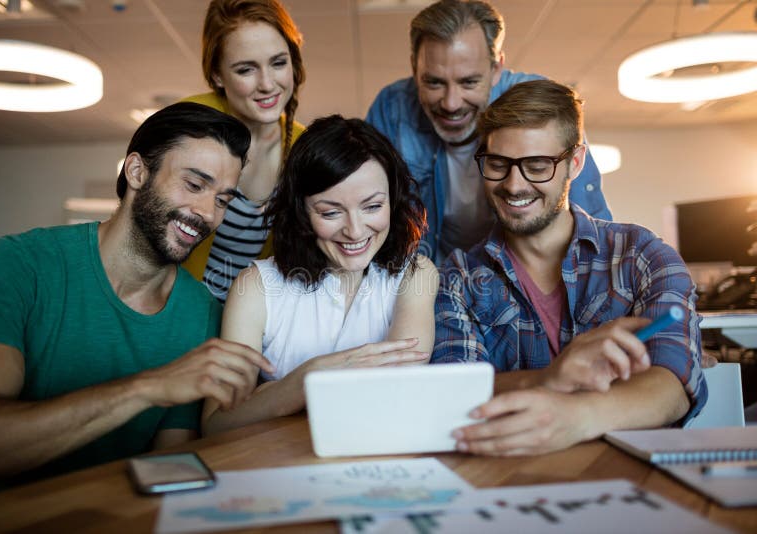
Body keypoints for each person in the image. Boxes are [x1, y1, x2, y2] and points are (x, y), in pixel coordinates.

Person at [0, 102, 274, 497]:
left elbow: (170, 472)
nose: (207, 213)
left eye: (224, 200)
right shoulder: (13, 267)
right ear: (137, 171)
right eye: (194, 185)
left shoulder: (205, 316)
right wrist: (147, 388)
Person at [432, 80, 707, 456]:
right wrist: (549, 379)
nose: (514, 185)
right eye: (498, 165)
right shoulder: (459, 277)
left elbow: (672, 383)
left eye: (537, 166)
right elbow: (451, 392)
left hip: (632, 479)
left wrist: (576, 414)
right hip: (505, 476)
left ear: (575, 163)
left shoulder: (642, 255)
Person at [203, 115, 438, 434]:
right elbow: (216, 423)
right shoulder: (257, 286)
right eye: (330, 212)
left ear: (393, 202)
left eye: (372, 207)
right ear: (300, 211)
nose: (355, 231)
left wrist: (272, 396)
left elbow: (399, 387)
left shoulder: (415, 274)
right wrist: (305, 379)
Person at [366, 0, 612, 263]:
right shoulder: (392, 108)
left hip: (512, 279)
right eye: (434, 82)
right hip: (429, 275)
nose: (451, 103)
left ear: (496, 68)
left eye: (469, 82)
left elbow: (588, 225)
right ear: (415, 68)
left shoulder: (540, 107)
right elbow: (364, 211)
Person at [182, 0, 306, 304]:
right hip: (178, 318)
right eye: (246, 69)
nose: (267, 84)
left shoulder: (304, 146)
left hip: (252, 324)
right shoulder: (187, 125)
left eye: (278, 63)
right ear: (216, 76)